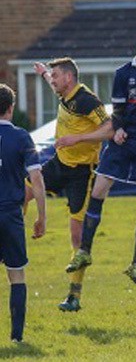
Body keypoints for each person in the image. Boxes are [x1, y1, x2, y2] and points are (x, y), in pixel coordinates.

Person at [66, 32, 136, 286]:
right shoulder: (123, 73)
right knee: (100, 188)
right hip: (122, 140)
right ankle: (85, 251)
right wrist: (120, 127)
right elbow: (117, 109)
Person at [25, 58, 111, 312]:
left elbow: (109, 128)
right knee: (22, 191)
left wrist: (79, 138)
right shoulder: (66, 92)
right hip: (59, 163)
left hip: (82, 173)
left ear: (69, 78)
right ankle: (11, 241)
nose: (52, 80)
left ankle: (74, 296)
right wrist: (43, 74)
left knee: (77, 235)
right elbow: (55, 87)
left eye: (55, 76)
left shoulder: (86, 99)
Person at [0, 83, 46, 342]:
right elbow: (36, 180)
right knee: (16, 274)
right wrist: (42, 217)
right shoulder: (21, 137)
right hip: (10, 214)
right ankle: (16, 338)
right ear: (11, 108)